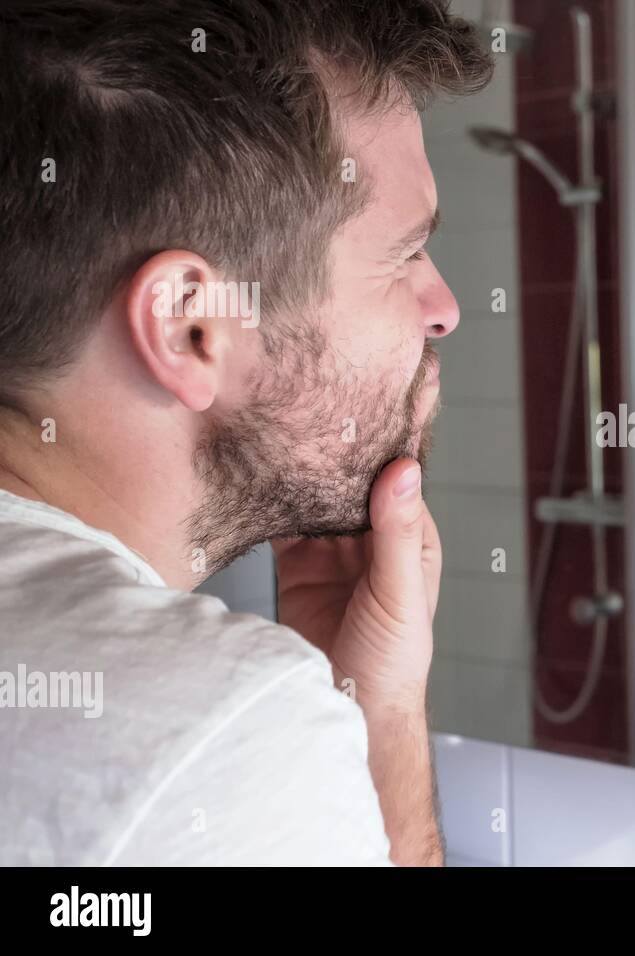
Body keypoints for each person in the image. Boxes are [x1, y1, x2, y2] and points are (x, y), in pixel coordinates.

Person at [0, 0, 492, 865]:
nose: (444, 309)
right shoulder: (215, 734)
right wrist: (381, 720)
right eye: (404, 253)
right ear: (193, 326)